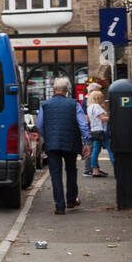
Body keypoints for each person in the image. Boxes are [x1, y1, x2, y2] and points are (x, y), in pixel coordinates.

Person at [36, 77, 91, 214]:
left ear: (54, 89)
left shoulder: (45, 104)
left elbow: (39, 125)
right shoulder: (74, 104)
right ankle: (71, 200)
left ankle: (59, 206)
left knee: (55, 174)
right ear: (67, 90)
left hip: (52, 143)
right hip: (71, 142)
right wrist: (87, 142)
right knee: (71, 170)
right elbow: (83, 124)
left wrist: (47, 136)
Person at [86, 89, 109, 177]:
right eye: (101, 97)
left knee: (95, 151)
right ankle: (118, 169)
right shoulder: (97, 106)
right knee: (110, 150)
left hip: (94, 131)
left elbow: (87, 119)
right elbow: (103, 118)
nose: (103, 99)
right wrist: (114, 117)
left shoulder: (90, 107)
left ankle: (95, 170)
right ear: (98, 98)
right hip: (102, 130)